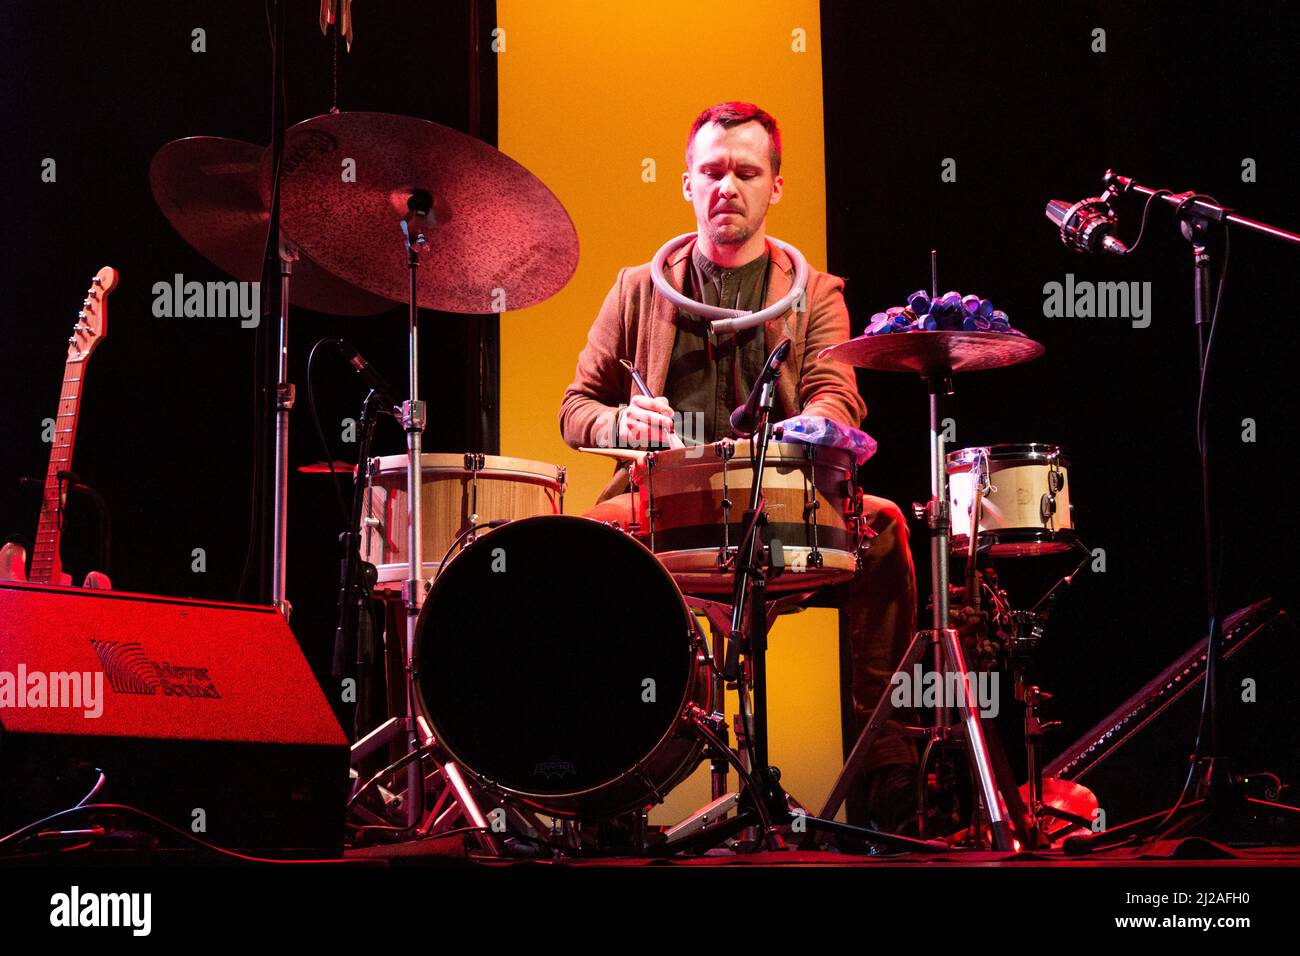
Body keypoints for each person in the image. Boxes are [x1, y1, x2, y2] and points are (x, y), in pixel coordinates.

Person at [559, 102, 918, 831]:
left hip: (783, 501)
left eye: (746, 172)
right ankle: (610, 788)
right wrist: (621, 422)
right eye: (713, 171)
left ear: (774, 187)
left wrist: (819, 425)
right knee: (591, 549)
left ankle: (891, 775)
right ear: (687, 184)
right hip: (662, 506)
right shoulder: (636, 288)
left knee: (884, 529)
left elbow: (836, 391)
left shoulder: (815, 293)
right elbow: (574, 409)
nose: (728, 185)